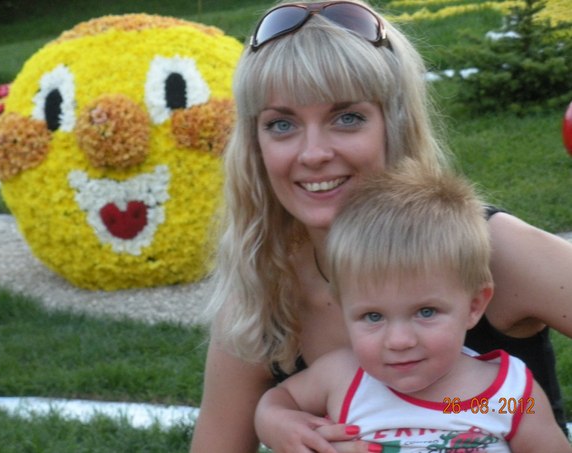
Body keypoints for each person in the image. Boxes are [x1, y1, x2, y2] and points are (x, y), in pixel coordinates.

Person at [190, 1, 572, 452]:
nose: (313, 153)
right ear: (255, 145)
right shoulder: (264, 288)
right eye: (282, 124)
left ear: (395, 123)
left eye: (347, 118)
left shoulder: (488, 250)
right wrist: (278, 420)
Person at [254, 161, 572, 452]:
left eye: (426, 312)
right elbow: (280, 399)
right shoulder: (342, 375)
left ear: (474, 306)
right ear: (343, 310)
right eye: (373, 316)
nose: (399, 341)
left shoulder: (507, 396)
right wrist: (276, 422)